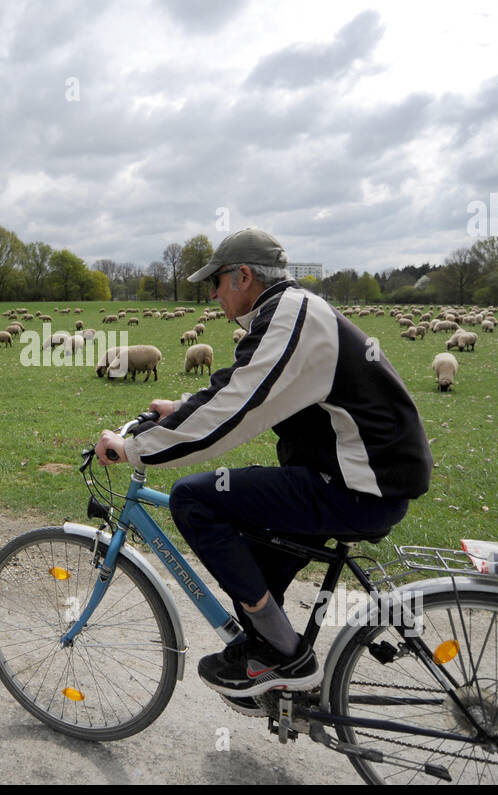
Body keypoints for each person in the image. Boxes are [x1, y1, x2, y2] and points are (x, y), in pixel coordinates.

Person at [94, 227, 432, 699]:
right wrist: (183, 405)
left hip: (358, 486)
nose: (212, 293)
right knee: (250, 562)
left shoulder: (290, 314)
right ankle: (272, 660)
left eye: (217, 281)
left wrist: (132, 447)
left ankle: (286, 658)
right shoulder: (287, 313)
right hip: (357, 479)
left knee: (193, 499)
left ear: (244, 275)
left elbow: (235, 410)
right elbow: (244, 383)